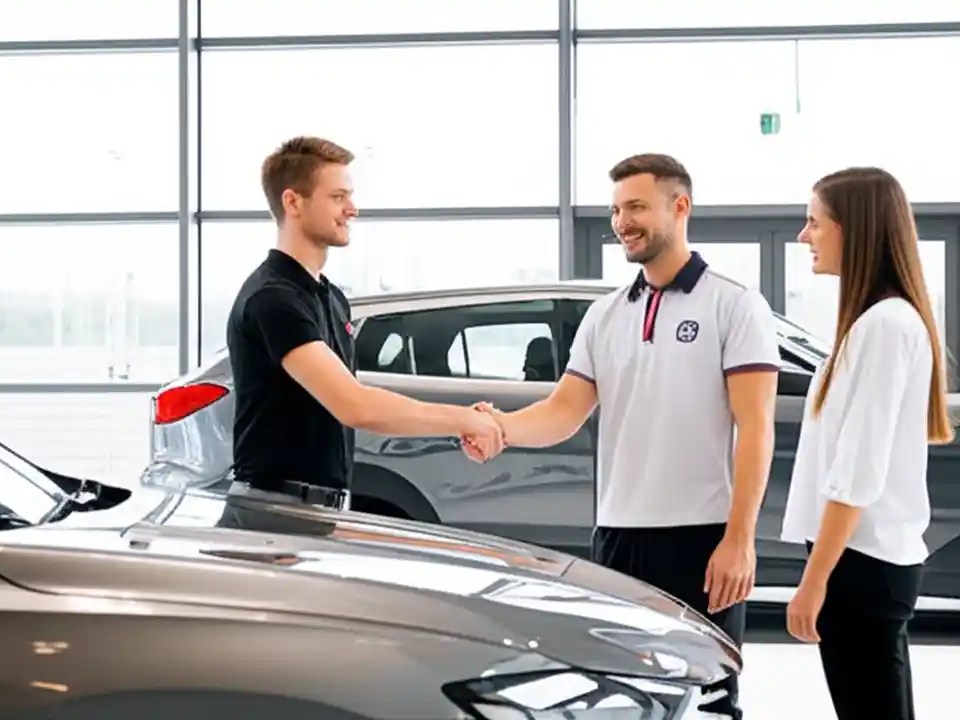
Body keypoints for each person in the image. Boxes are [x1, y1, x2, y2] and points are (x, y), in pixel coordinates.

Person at [475, 153, 779, 719]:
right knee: (621, 696)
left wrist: (740, 539)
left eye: (636, 206)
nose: (621, 222)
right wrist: (499, 429)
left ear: (680, 206)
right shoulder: (605, 315)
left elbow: (756, 428)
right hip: (616, 537)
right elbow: (562, 412)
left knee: (707, 700)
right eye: (616, 210)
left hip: (702, 539)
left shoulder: (736, 305)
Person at [222, 136, 503, 520]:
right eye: (338, 197)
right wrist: (463, 420)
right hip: (274, 514)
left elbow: (355, 396)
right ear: (293, 202)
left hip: (319, 511)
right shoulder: (272, 299)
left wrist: (464, 416)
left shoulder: (330, 298)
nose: (352, 209)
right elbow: (354, 405)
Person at [780, 167, 953, 720]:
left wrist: (813, 583)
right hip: (866, 562)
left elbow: (857, 471)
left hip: (862, 565)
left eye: (814, 222)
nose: (804, 235)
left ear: (852, 229)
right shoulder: (876, 323)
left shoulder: (885, 326)